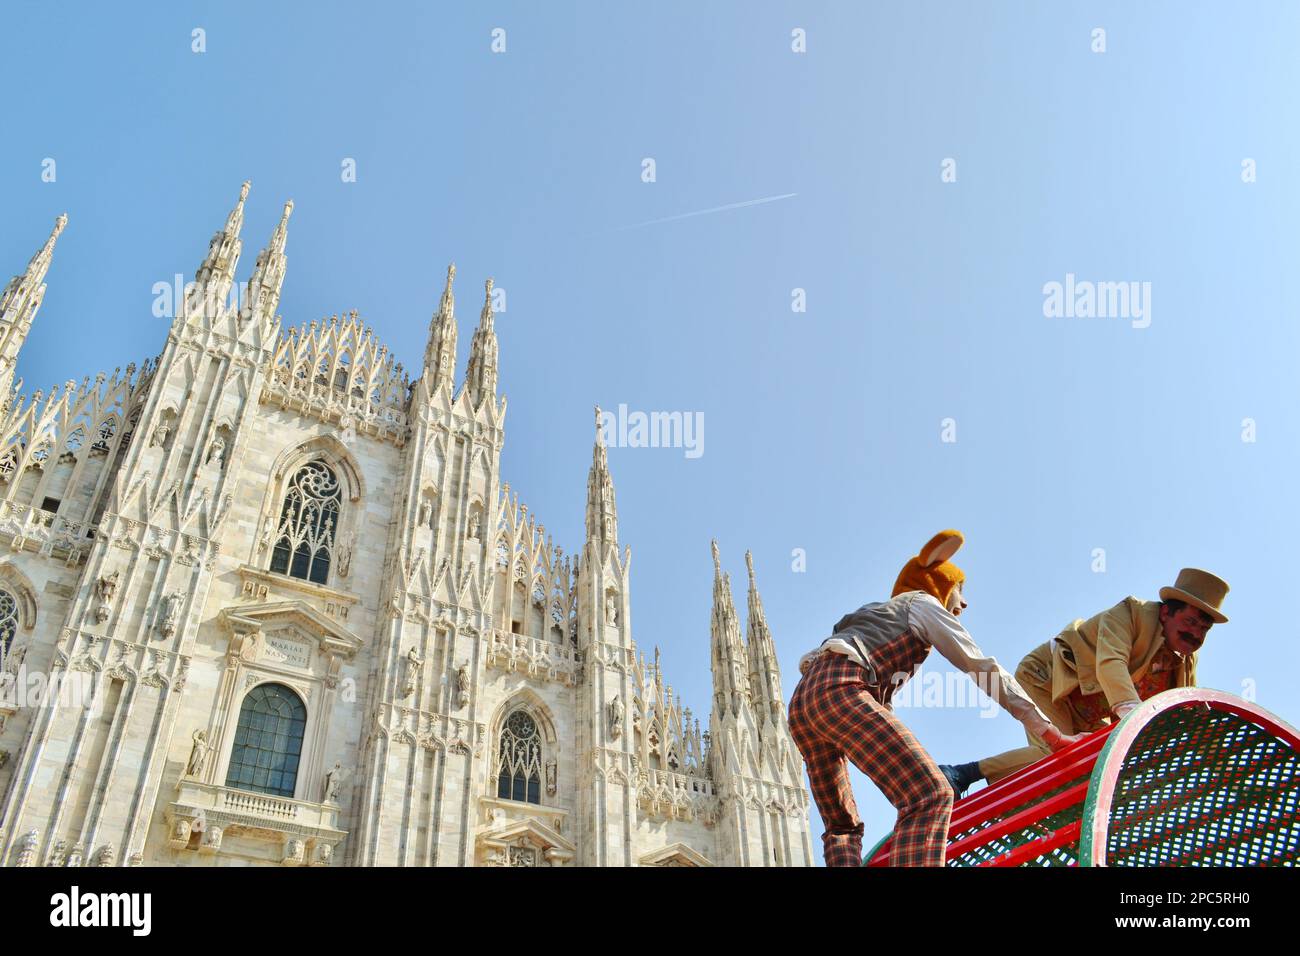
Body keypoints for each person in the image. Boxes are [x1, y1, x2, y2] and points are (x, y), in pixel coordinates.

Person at [787, 530, 1081, 867]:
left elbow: (813, 663)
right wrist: (1046, 730)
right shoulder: (921, 604)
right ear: (938, 584)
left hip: (803, 707)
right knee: (930, 794)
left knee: (841, 827)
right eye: (959, 589)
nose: (964, 602)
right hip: (839, 693)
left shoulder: (873, 616)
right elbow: (981, 667)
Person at [939, 568, 1229, 796]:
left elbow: (1182, 705)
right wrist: (1132, 716)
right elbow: (1110, 661)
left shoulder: (1182, 660)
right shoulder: (1132, 614)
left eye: (1204, 629)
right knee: (1054, 751)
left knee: (1091, 765)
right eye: (1191, 622)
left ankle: (1034, 806)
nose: (1196, 634)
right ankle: (961, 774)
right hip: (1047, 678)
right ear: (1166, 611)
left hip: (1087, 707)